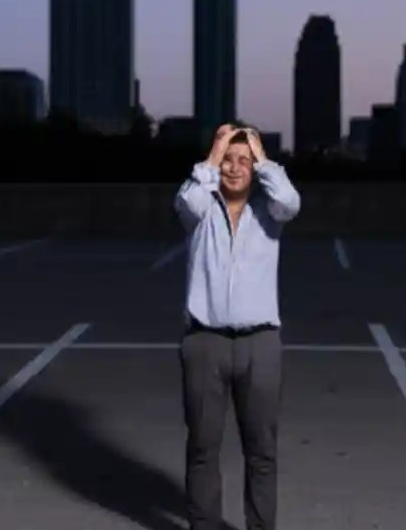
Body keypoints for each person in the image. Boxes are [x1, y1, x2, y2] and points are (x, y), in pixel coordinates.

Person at [172, 122, 301, 530]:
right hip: (205, 342)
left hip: (259, 344)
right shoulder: (201, 209)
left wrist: (262, 157)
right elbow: (186, 199)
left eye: (242, 160)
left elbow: (291, 200)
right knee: (203, 449)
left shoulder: (270, 213)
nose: (234, 167)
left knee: (261, 451)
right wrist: (215, 151)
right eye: (228, 159)